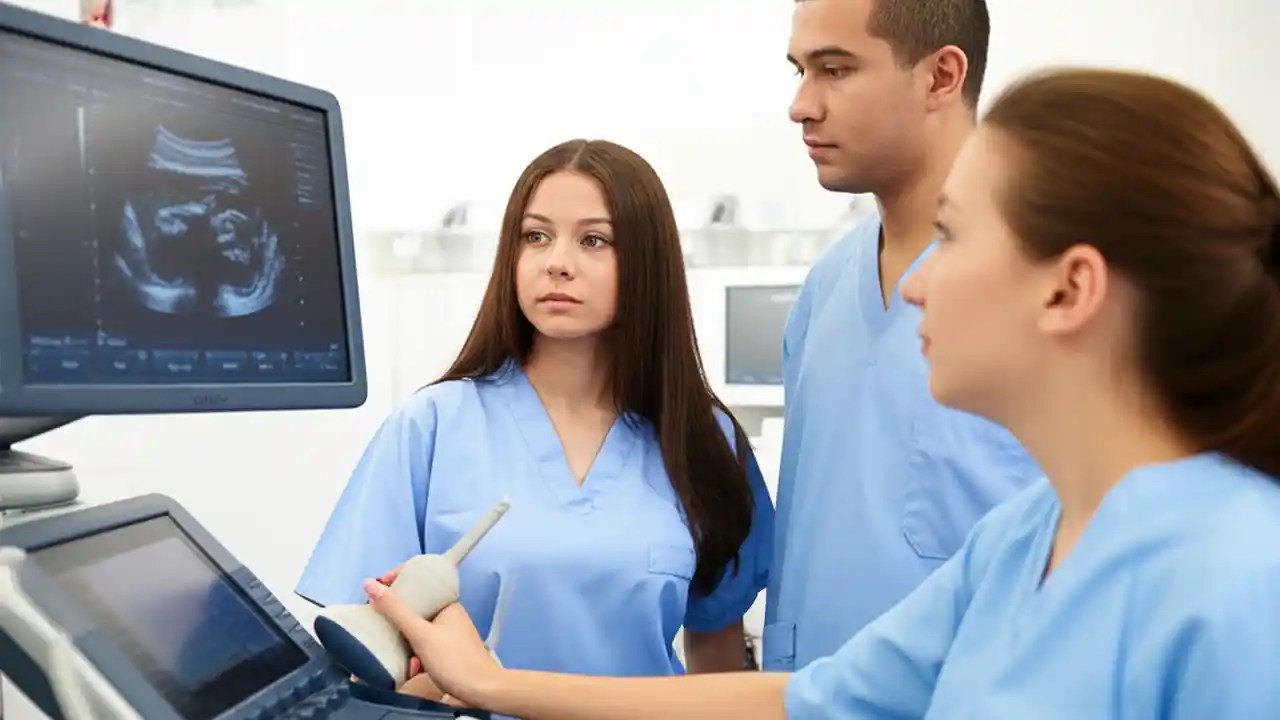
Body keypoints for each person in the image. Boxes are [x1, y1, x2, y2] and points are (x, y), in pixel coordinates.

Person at [359, 67, 1280, 719]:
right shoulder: (1021, 543)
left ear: (1068, 289)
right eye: (537, 238)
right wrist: (489, 687)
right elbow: (800, 698)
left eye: (953, 239)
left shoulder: (1242, 579)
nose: (914, 283)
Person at [295, 139, 774, 689]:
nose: (557, 264)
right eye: (535, 236)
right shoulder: (430, 426)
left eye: (594, 240)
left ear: (648, 262)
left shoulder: (704, 440)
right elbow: (364, 660)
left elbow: (718, 668)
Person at [766, 0, 1040, 671]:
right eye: (800, 71)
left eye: (835, 70)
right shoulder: (826, 291)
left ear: (942, 77)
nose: (802, 105)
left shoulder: (1043, 282)